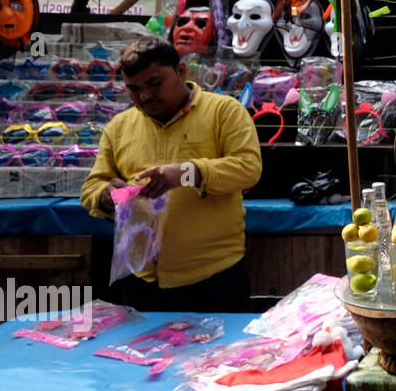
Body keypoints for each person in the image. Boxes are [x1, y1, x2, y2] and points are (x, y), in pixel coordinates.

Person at [81, 37, 262, 311]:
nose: (144, 96)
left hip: (214, 278)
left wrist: (186, 173)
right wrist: (107, 196)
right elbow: (92, 187)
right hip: (139, 277)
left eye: (154, 84)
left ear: (181, 71)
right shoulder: (119, 127)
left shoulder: (224, 112)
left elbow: (248, 169)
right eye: (133, 89)